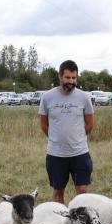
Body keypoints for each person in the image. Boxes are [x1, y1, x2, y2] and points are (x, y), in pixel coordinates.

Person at [39, 60, 94, 204]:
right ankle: (59, 223)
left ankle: (80, 222)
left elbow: (89, 124)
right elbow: (44, 125)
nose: (71, 81)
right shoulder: (47, 97)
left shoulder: (84, 97)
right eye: (68, 78)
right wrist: (56, 139)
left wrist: (77, 138)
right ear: (60, 77)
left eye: (74, 78)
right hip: (56, 154)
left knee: (82, 191)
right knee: (58, 193)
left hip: (80, 153)